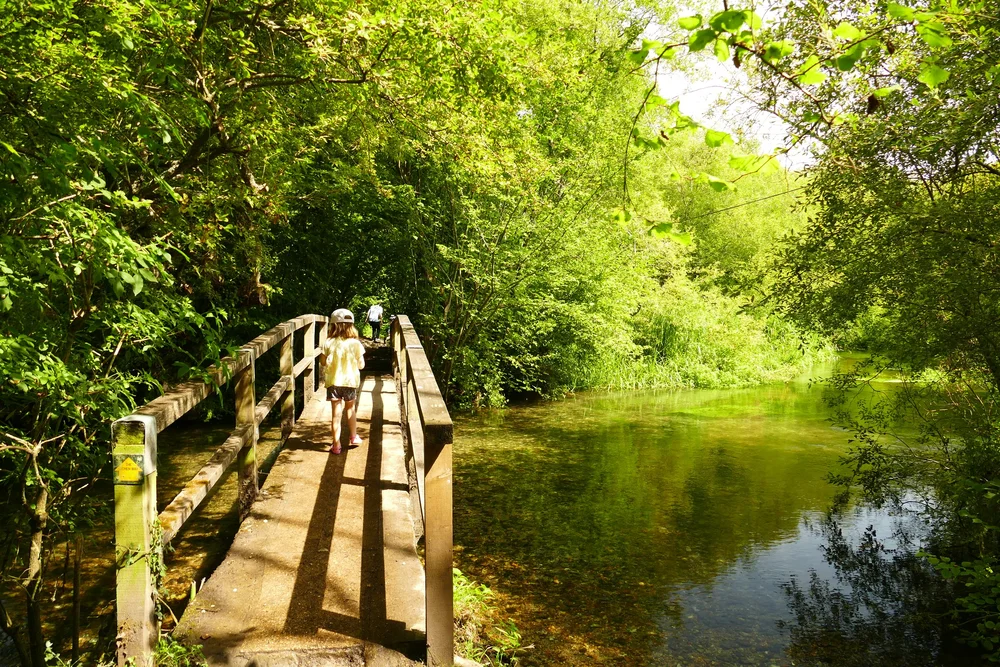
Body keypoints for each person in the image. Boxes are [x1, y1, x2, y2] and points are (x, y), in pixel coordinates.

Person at [319, 308, 365, 454]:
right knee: (350, 409)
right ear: (351, 326)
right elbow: (361, 365)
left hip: (333, 383)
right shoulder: (355, 344)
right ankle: (353, 436)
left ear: (333, 325)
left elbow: (322, 362)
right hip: (349, 382)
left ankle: (336, 445)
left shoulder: (328, 342)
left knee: (336, 414)